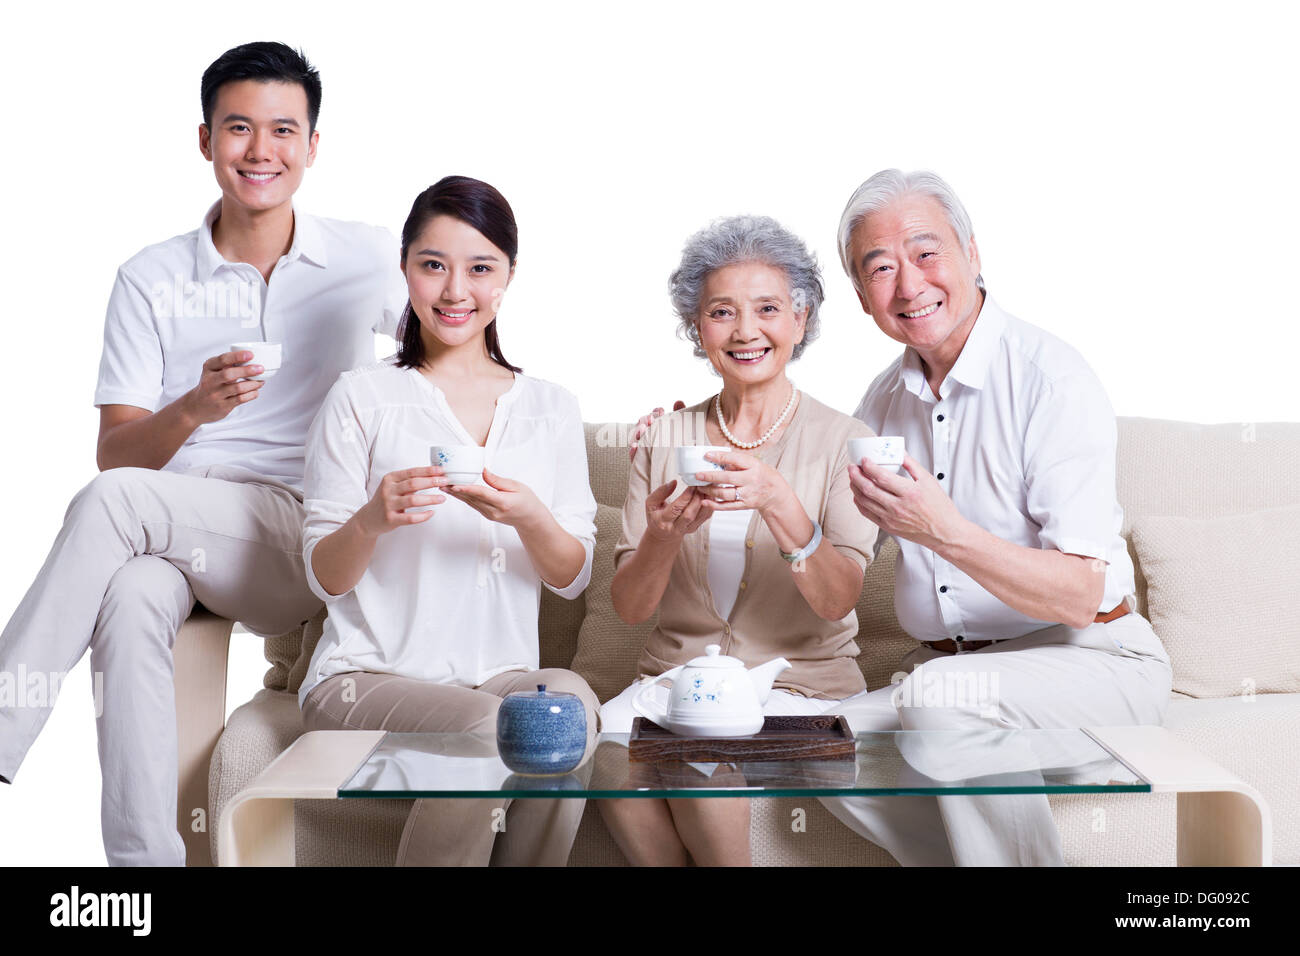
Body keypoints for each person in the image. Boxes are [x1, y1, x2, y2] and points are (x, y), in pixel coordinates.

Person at [0, 42, 406, 865]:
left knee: (113, 508)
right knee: (133, 599)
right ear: (204, 140)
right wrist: (195, 406)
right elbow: (119, 452)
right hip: (176, 532)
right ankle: (149, 870)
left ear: (313, 146)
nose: (261, 151)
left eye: (283, 130)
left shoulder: (368, 259)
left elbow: (461, 345)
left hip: (294, 534)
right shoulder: (149, 277)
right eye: (239, 129)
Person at [818, 169, 1173, 865]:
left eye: (926, 253)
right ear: (863, 298)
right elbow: (837, 558)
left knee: (941, 697)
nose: (909, 284)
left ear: (973, 256)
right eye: (880, 268)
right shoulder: (881, 402)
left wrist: (941, 529)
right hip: (951, 684)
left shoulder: (1051, 378)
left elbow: (1077, 594)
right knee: (818, 744)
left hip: (1094, 663)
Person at [298, 175, 600, 866]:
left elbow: (570, 577)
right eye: (433, 265)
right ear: (405, 269)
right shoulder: (362, 397)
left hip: (498, 673)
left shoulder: (551, 406)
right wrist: (373, 520)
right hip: (363, 678)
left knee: (566, 713)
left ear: (509, 278)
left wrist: (528, 516)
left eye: (480, 268)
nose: (455, 290)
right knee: (490, 726)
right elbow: (325, 579)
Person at [599, 215, 879, 866]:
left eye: (768, 309)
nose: (746, 330)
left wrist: (782, 503)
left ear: (801, 320)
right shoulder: (667, 439)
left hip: (799, 689)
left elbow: (838, 599)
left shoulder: (844, 440)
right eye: (722, 312)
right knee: (605, 758)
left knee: (698, 756)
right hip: (677, 681)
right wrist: (662, 541)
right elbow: (631, 609)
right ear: (698, 328)